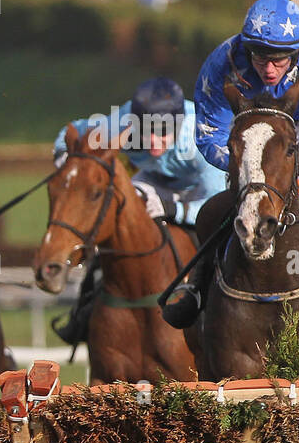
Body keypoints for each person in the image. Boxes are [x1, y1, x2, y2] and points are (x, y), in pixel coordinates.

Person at [164, 0, 299, 327]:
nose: (269, 69)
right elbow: (209, 136)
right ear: (248, 50)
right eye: (261, 59)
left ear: (296, 54)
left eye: (279, 61)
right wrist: (250, 167)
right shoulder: (222, 64)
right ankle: (197, 287)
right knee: (212, 213)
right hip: (249, 137)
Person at [50, 77, 225, 344]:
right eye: (147, 132)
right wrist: (66, 162)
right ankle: (84, 309)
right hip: (153, 179)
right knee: (110, 218)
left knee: (216, 240)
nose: (154, 141)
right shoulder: (122, 122)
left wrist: (174, 210)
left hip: (206, 189)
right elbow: (70, 132)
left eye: (163, 132)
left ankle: (212, 305)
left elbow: (213, 205)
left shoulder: (201, 138)